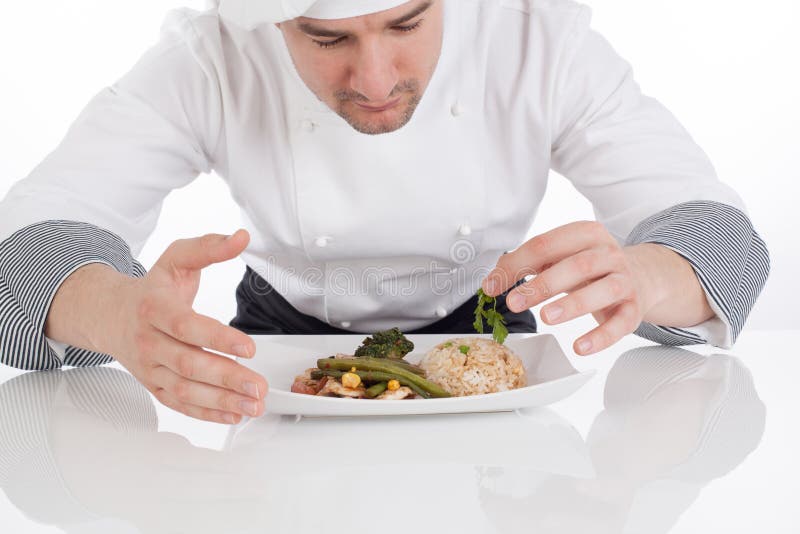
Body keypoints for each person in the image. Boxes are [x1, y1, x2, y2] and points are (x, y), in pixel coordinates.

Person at [0, 0, 770, 424]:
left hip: (491, 360)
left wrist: (646, 274)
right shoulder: (211, 54)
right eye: (326, 36)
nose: (373, 79)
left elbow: (725, 238)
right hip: (275, 362)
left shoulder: (538, 37)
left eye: (407, 23)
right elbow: (24, 244)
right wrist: (109, 312)